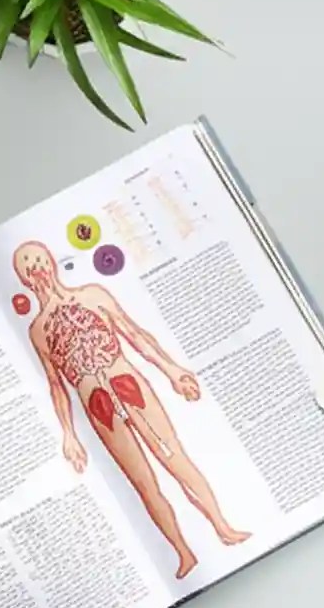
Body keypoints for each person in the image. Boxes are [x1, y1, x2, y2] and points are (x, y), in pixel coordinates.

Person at [13, 240, 250, 578]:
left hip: (129, 383)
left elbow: (134, 334)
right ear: (23, 278)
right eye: (27, 265)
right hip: (98, 406)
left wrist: (172, 370)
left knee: (174, 456)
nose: (36, 267)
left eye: (38, 259)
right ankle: (183, 552)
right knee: (143, 482)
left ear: (50, 260)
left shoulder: (93, 294)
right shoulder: (38, 331)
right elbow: (56, 384)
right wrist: (68, 434)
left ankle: (222, 526)